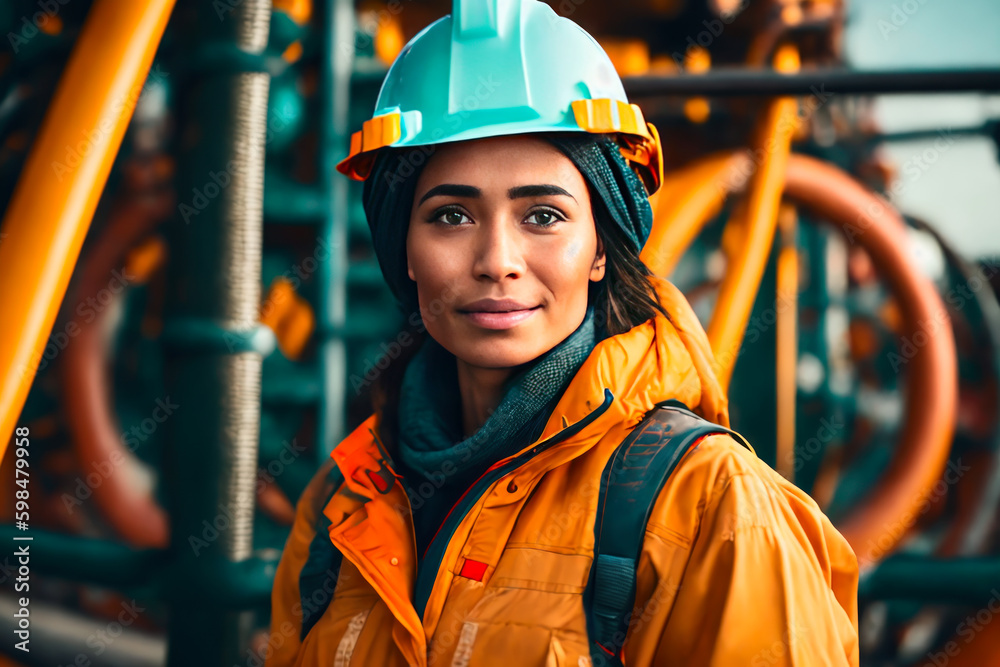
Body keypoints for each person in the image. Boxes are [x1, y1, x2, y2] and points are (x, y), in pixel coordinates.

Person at [267, 0, 860, 665]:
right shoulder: (338, 504)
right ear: (403, 248)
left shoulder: (716, 511)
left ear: (601, 248)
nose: (497, 260)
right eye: (452, 215)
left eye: (543, 214)